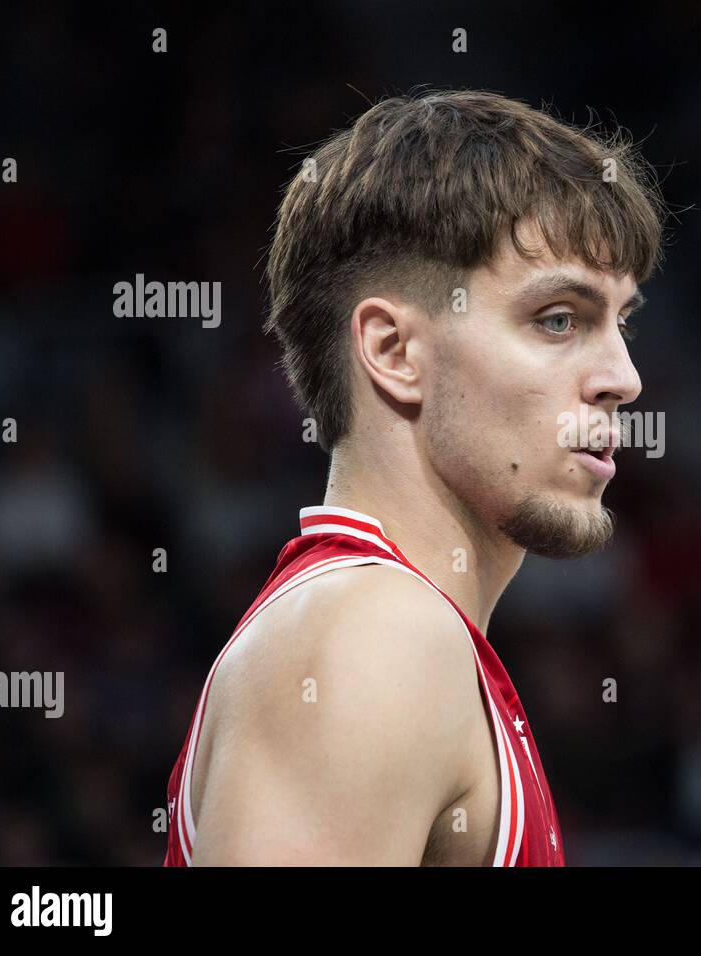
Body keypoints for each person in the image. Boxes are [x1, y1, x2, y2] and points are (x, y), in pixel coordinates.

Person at [162, 89, 665, 866]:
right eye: (559, 318)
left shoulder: (387, 627)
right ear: (394, 352)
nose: (622, 377)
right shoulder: (376, 634)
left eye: (621, 322)